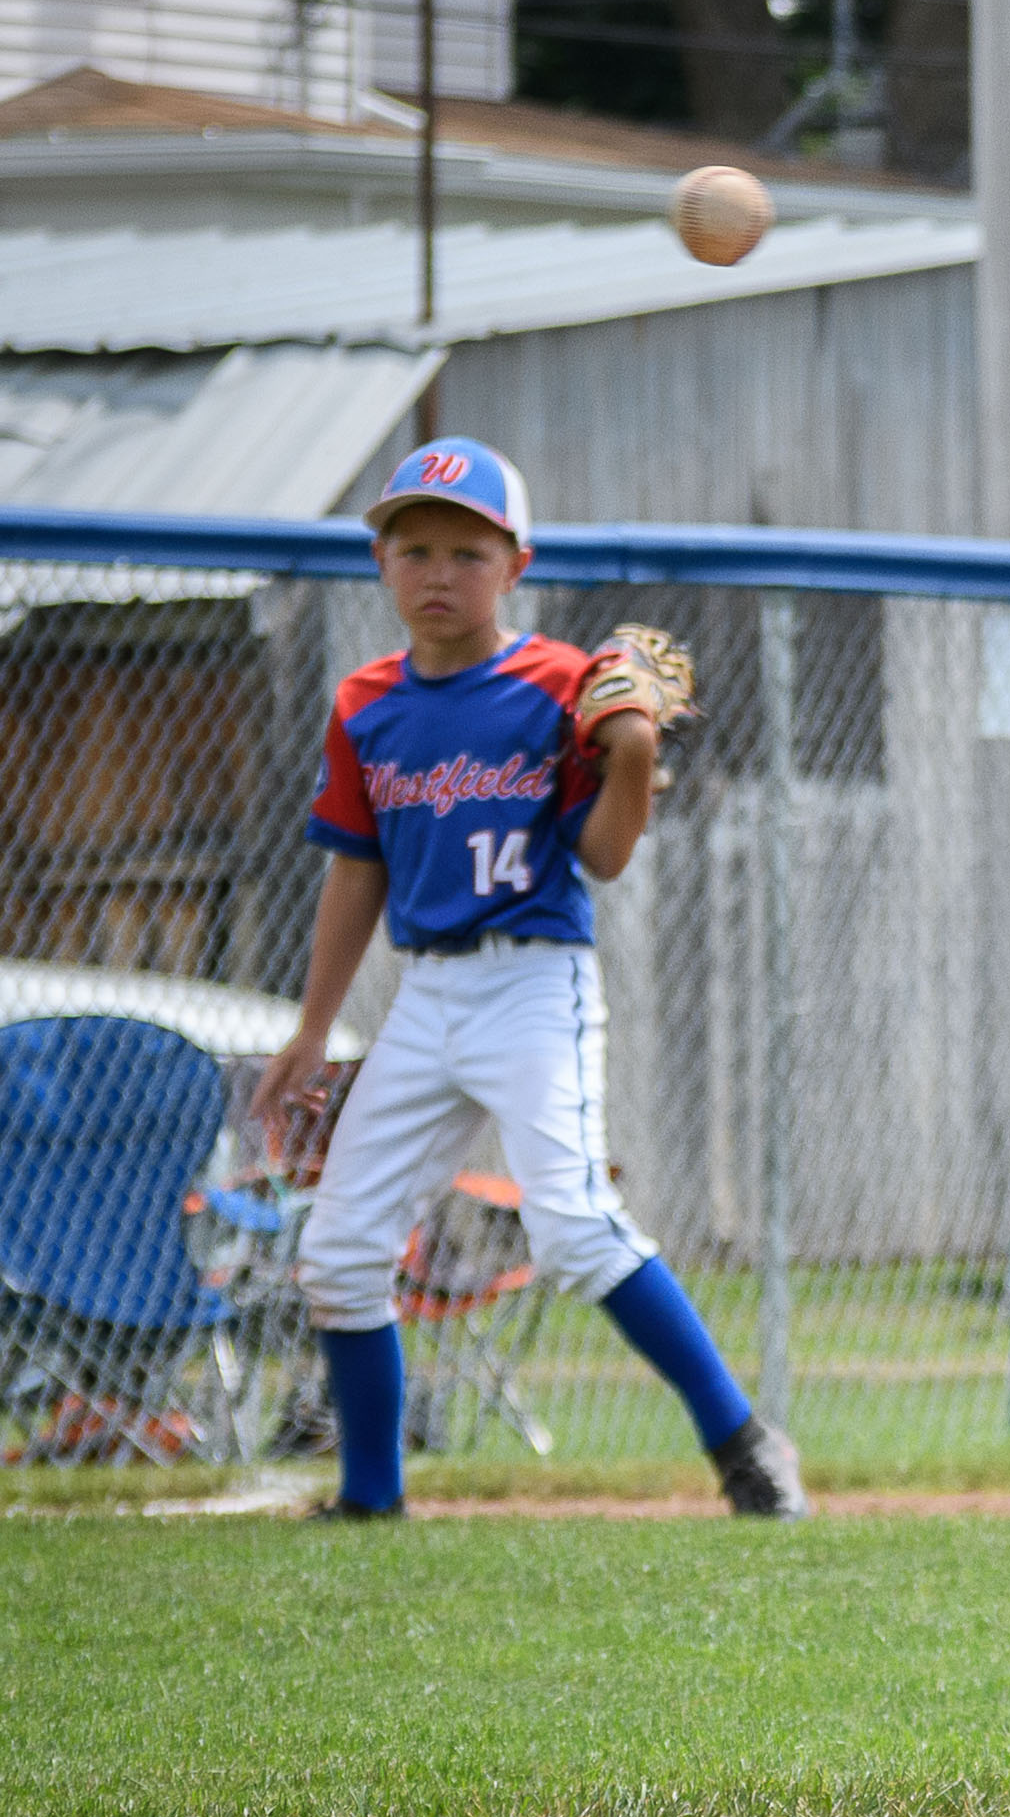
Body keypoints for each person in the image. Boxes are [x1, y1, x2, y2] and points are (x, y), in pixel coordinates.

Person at [245, 442, 808, 1522]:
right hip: (424, 998)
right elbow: (355, 869)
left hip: (531, 987)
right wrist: (314, 1029)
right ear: (381, 564)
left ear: (515, 563)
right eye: (414, 549)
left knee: (574, 1228)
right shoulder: (365, 702)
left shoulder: (558, 683)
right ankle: (371, 1499)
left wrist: (633, 760)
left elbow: (601, 856)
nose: (438, 572)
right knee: (340, 1252)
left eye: (468, 549)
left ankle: (742, 1439)